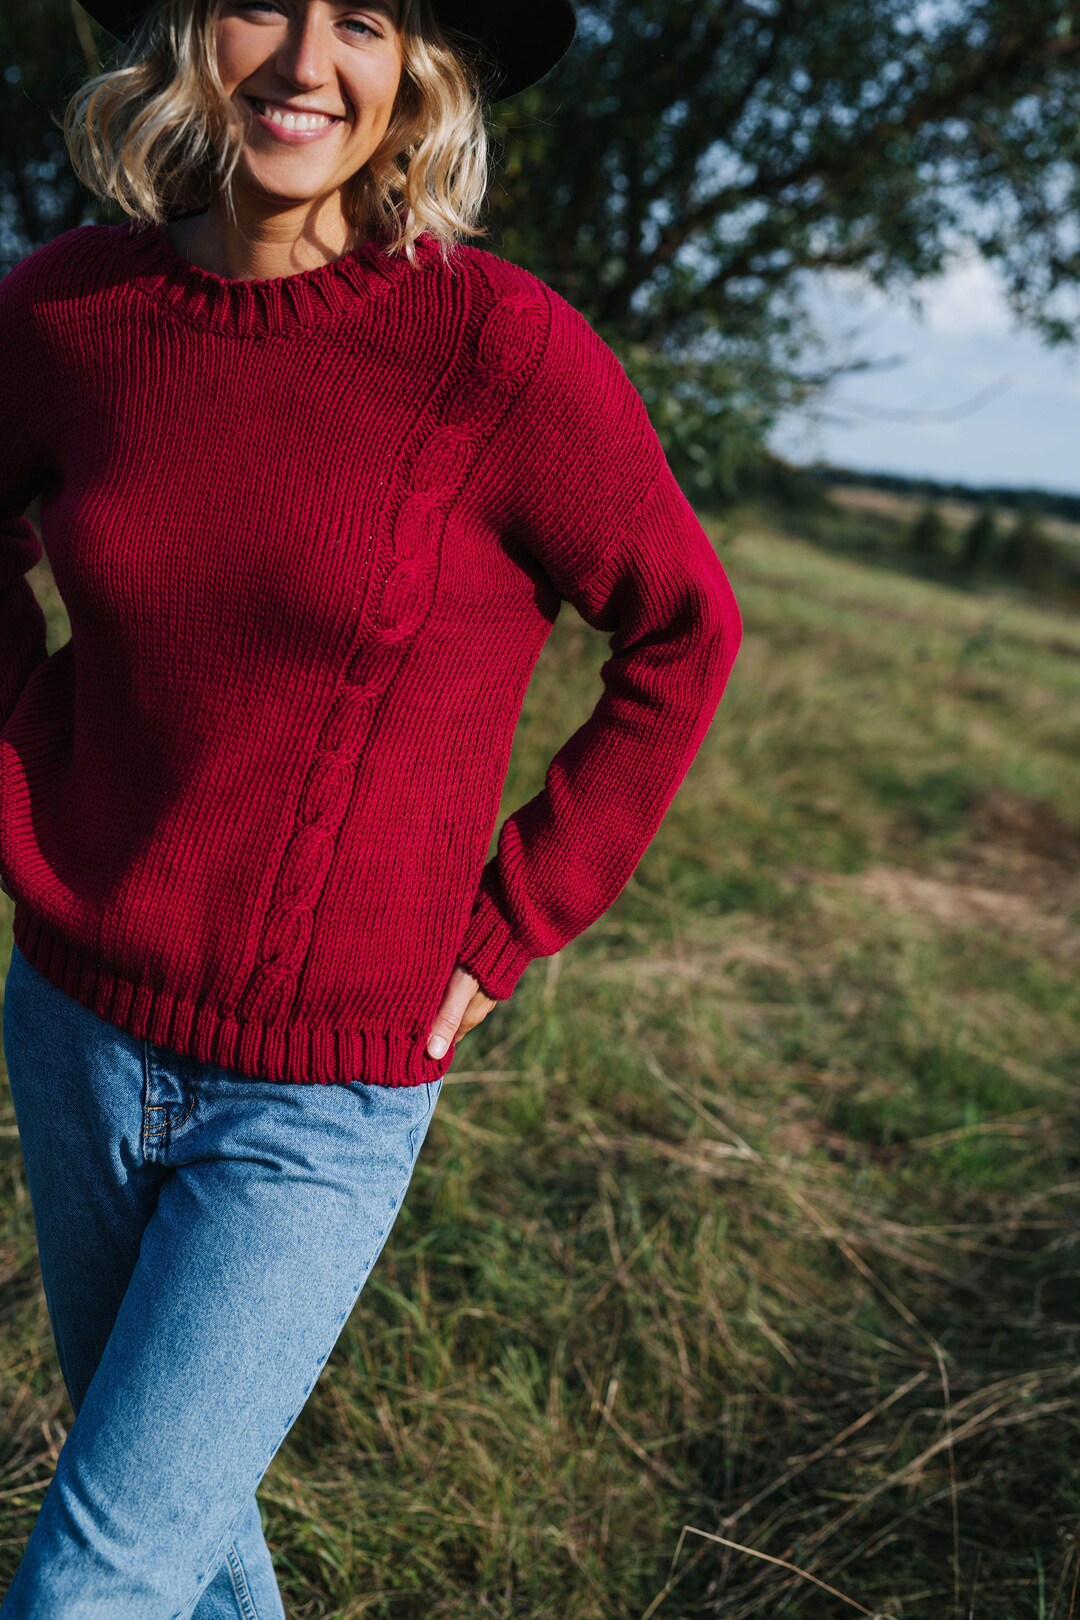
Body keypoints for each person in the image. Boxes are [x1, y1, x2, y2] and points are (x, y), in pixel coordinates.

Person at [0, 0, 744, 1611]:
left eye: (366, 21)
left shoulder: (499, 348)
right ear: (193, 35)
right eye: (264, 4)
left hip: (322, 1098)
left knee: (93, 1580)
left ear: (416, 71)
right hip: (74, 1026)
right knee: (187, 1539)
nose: (303, 62)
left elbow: (683, 628)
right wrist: (23, 730)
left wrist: (519, 910)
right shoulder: (66, 312)